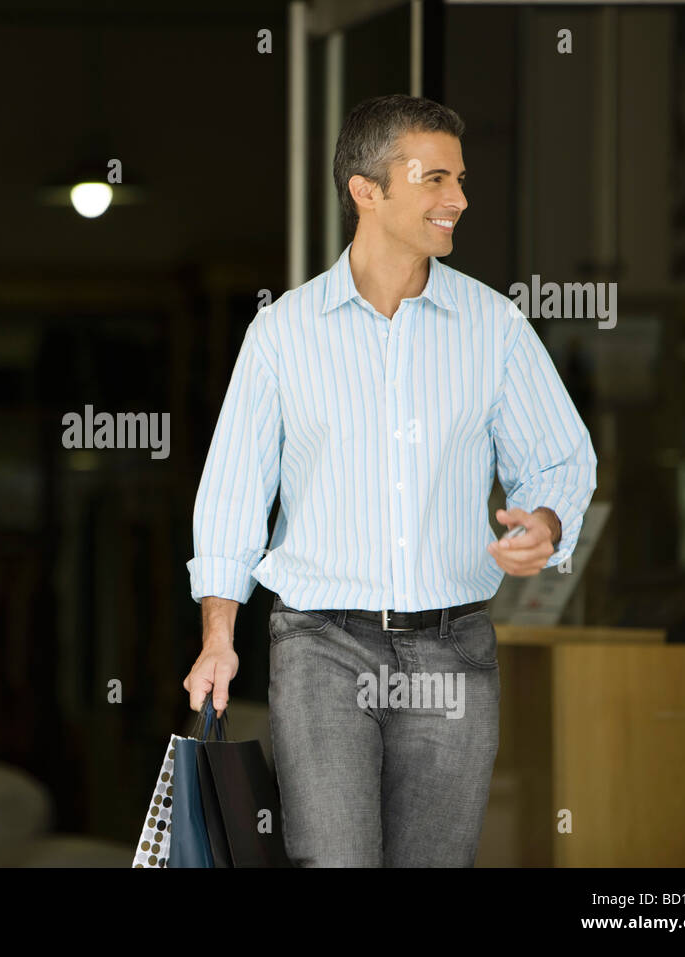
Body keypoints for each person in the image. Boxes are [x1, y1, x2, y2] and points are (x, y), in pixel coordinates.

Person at [183, 94, 597, 867]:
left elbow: (559, 457)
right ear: (366, 190)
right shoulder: (282, 334)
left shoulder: (494, 325)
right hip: (321, 648)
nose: (460, 200)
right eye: (435, 178)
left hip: (455, 645)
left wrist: (545, 518)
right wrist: (219, 636)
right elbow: (234, 492)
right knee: (334, 858)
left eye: (462, 179)